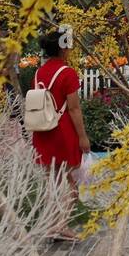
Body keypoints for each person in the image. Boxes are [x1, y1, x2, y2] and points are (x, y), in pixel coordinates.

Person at [32, 28, 91, 241]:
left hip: (43, 131)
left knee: (54, 181)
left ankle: (51, 224)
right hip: (62, 132)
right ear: (63, 48)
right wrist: (83, 137)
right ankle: (60, 224)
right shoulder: (67, 73)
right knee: (70, 184)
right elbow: (74, 108)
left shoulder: (40, 72)